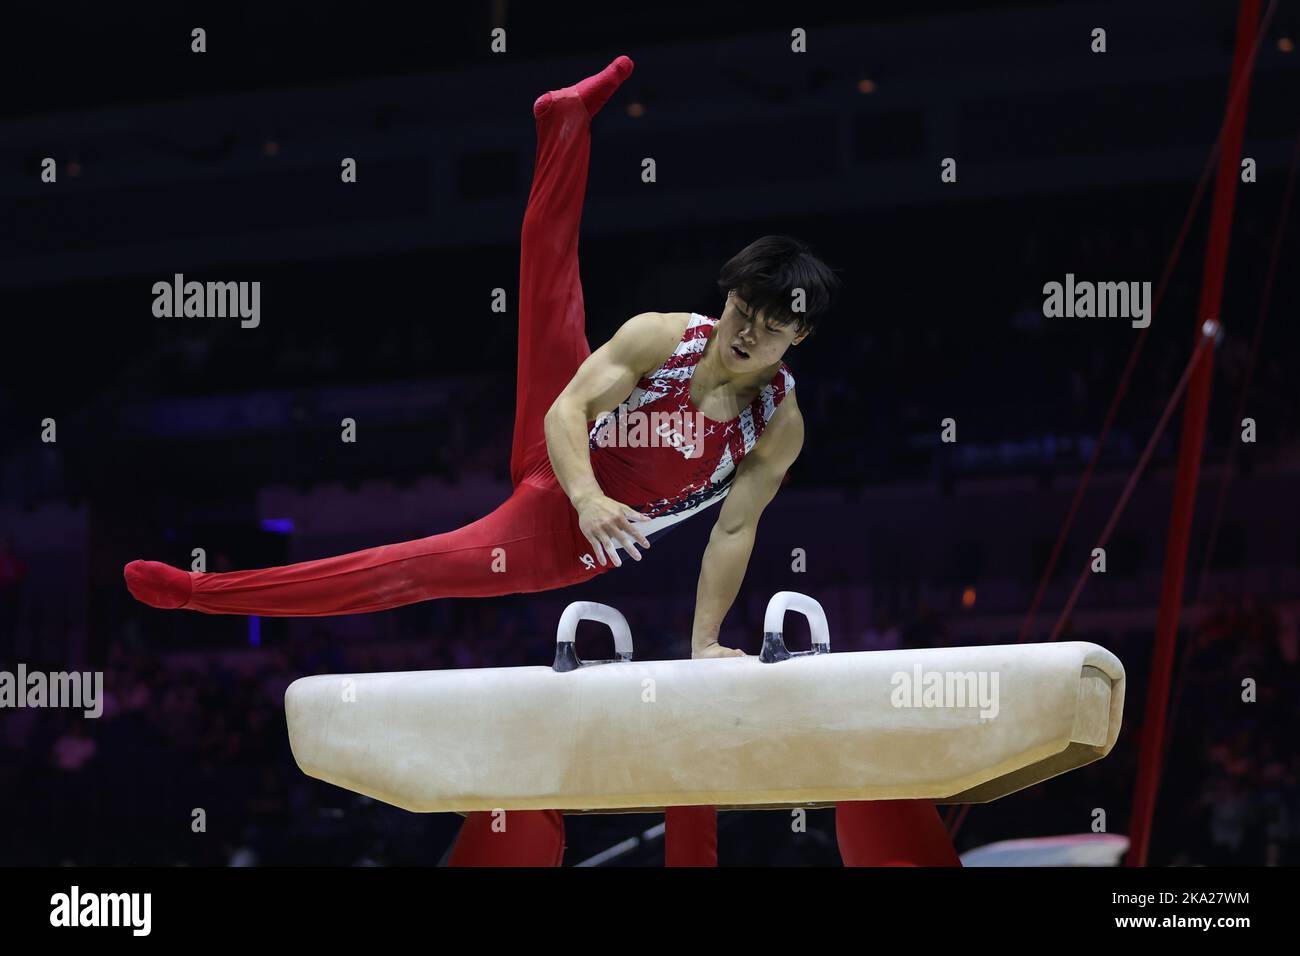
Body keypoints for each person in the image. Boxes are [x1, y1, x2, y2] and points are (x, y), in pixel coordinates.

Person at [123, 56, 958, 868]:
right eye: (742, 310)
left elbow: (733, 531)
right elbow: (566, 410)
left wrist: (705, 646)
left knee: (409, 569)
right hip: (562, 481)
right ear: (727, 298)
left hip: (559, 543)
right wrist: (591, 497)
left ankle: (204, 595)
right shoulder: (662, 335)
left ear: (799, 335)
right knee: (550, 288)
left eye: (770, 328)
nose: (746, 335)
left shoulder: (779, 422)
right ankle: (565, 122)